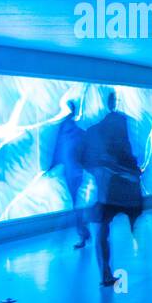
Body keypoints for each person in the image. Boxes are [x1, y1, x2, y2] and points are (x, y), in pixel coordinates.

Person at [81, 89, 143, 287]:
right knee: (112, 225)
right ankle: (106, 274)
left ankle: (105, 274)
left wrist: (99, 171)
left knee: (103, 229)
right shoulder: (120, 125)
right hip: (117, 186)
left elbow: (87, 159)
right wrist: (132, 171)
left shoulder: (93, 131)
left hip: (105, 189)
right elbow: (127, 153)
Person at [47, 99, 90, 249]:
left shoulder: (68, 131)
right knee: (75, 203)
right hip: (74, 172)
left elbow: (60, 151)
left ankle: (83, 233)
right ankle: (83, 231)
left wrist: (52, 165)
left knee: (75, 204)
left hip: (74, 172)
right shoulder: (78, 132)